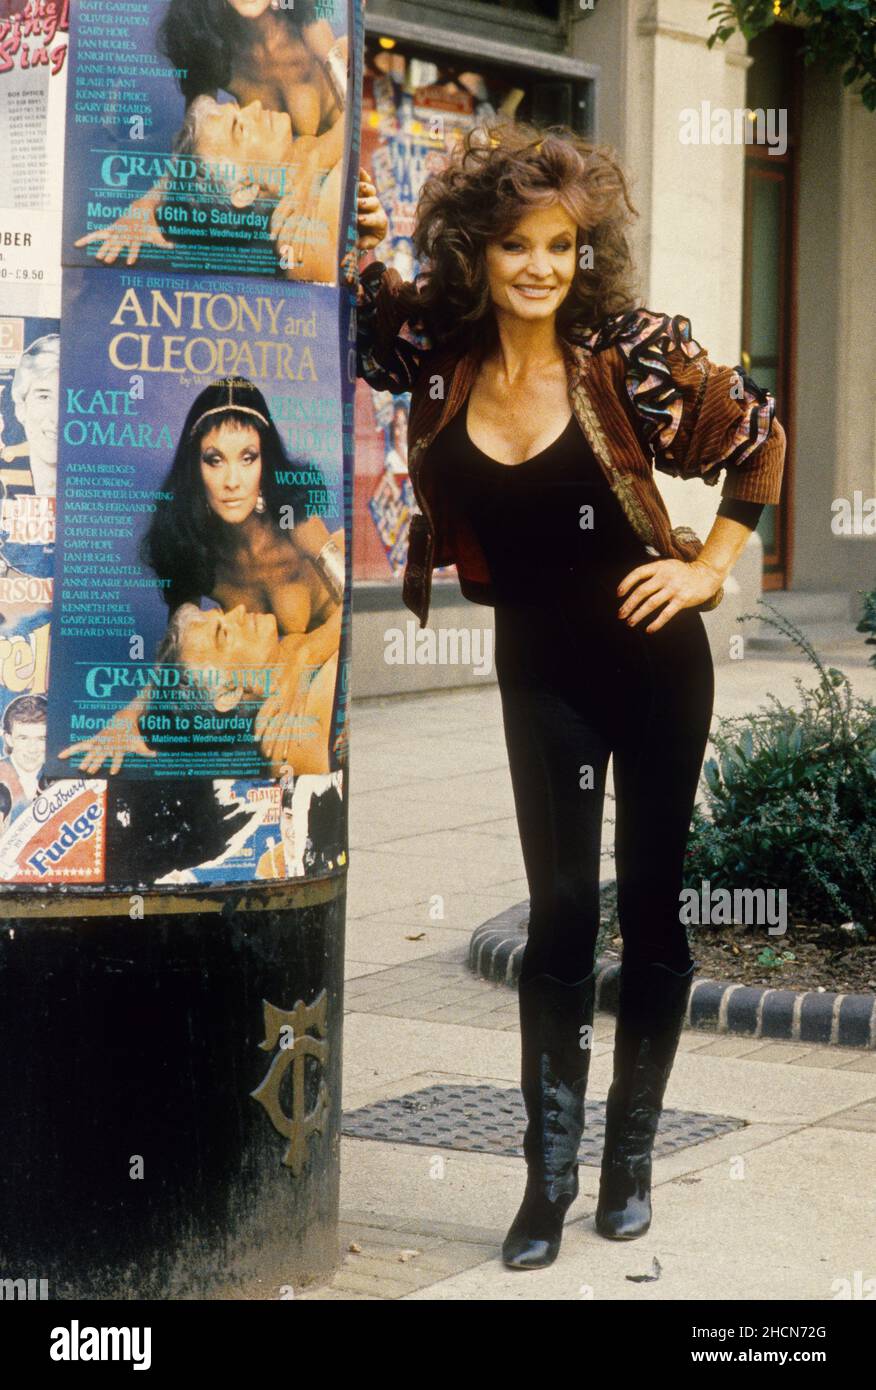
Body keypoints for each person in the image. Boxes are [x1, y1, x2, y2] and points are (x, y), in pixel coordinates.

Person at [353, 125, 785, 1271]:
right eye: (514, 246)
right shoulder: (441, 354)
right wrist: (355, 244)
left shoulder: (629, 355)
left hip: (654, 664)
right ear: (476, 254)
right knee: (558, 916)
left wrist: (706, 570)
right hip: (537, 667)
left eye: (562, 245)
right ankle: (547, 1186)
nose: (541, 266)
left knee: (650, 906)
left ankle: (630, 1166)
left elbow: (757, 436)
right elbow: (368, 319)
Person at [59, 378, 345, 778]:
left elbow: (355, 605)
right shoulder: (195, 553)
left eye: (248, 457)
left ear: (265, 463)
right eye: (215, 459)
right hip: (287, 679)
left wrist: (302, 656)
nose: (232, 481)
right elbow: (181, 651)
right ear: (196, 466)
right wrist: (130, 716)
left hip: (335, 649)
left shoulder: (293, 519)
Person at [74, 0, 347, 269]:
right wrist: (145, 205)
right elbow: (199, 147)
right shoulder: (207, 49)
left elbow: (354, 112)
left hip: (337, 165)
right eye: (238, 123)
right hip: (299, 189)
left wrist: (315, 162)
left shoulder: (309, 20)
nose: (250, 109)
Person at [0, 335, 60, 499]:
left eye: (69, 400)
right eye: (44, 397)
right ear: (21, 408)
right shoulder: (4, 473)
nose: (56, 418)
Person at [0, 694, 48, 819]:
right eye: (23, 738)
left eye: (41, 738)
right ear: (9, 739)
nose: (32, 749)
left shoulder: (60, 775)